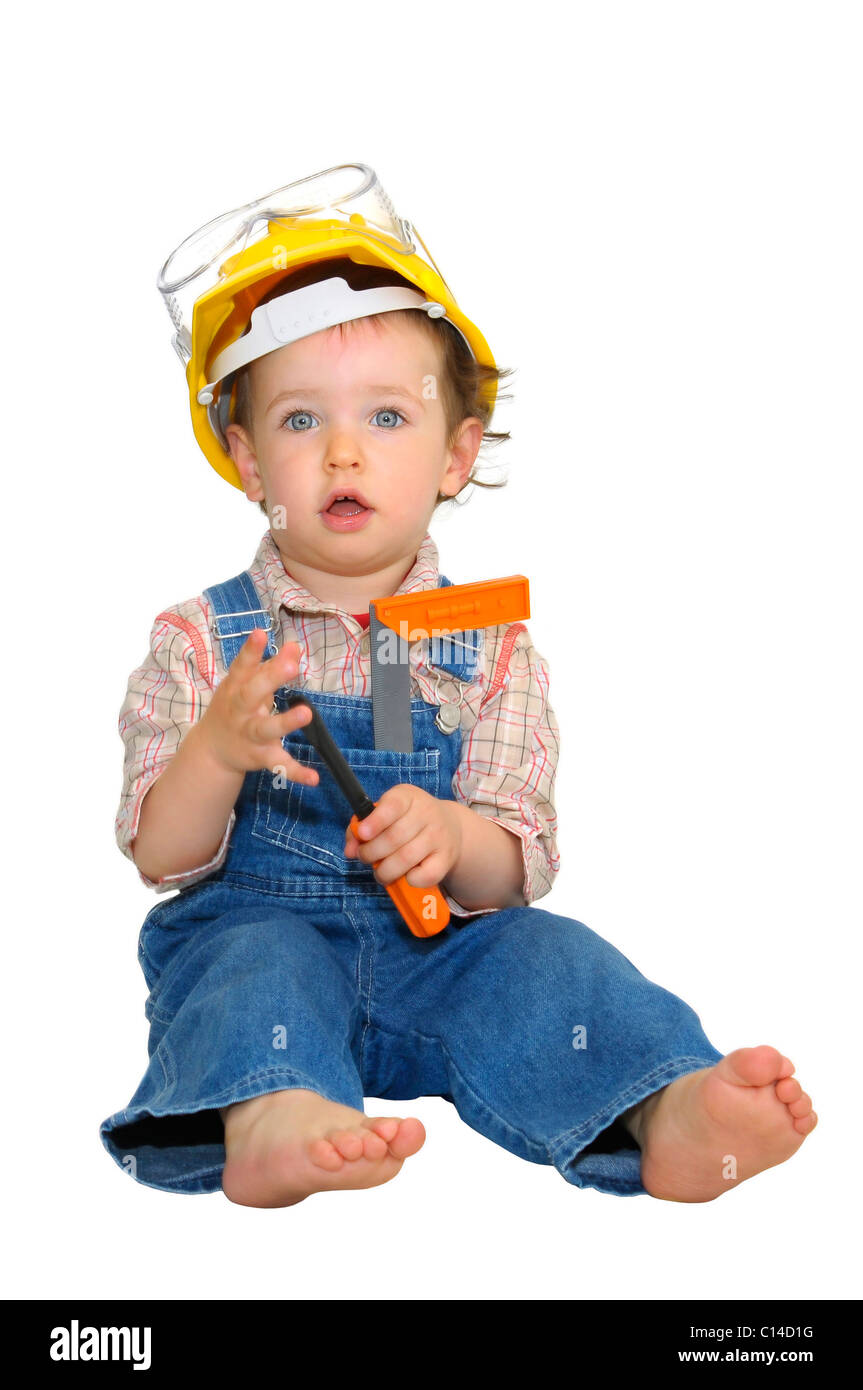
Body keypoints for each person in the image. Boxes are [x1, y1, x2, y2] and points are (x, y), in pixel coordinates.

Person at [100, 165, 816, 1206]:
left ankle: (661, 1104)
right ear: (246, 458)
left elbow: (513, 870)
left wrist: (455, 835)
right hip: (266, 933)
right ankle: (277, 1108)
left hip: (439, 955)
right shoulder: (203, 640)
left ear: (455, 452)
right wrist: (213, 752)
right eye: (300, 422)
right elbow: (160, 855)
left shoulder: (487, 649)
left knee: (549, 963)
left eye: (387, 417)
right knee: (249, 972)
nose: (343, 449)